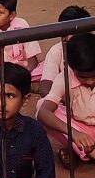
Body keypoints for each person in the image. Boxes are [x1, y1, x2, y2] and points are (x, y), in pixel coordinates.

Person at [37, 33, 95, 167]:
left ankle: (83, 153)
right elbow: (44, 112)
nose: (90, 81)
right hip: (80, 130)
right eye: (83, 77)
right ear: (70, 67)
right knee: (42, 106)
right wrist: (73, 132)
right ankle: (87, 151)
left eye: (94, 76)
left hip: (85, 138)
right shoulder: (64, 78)